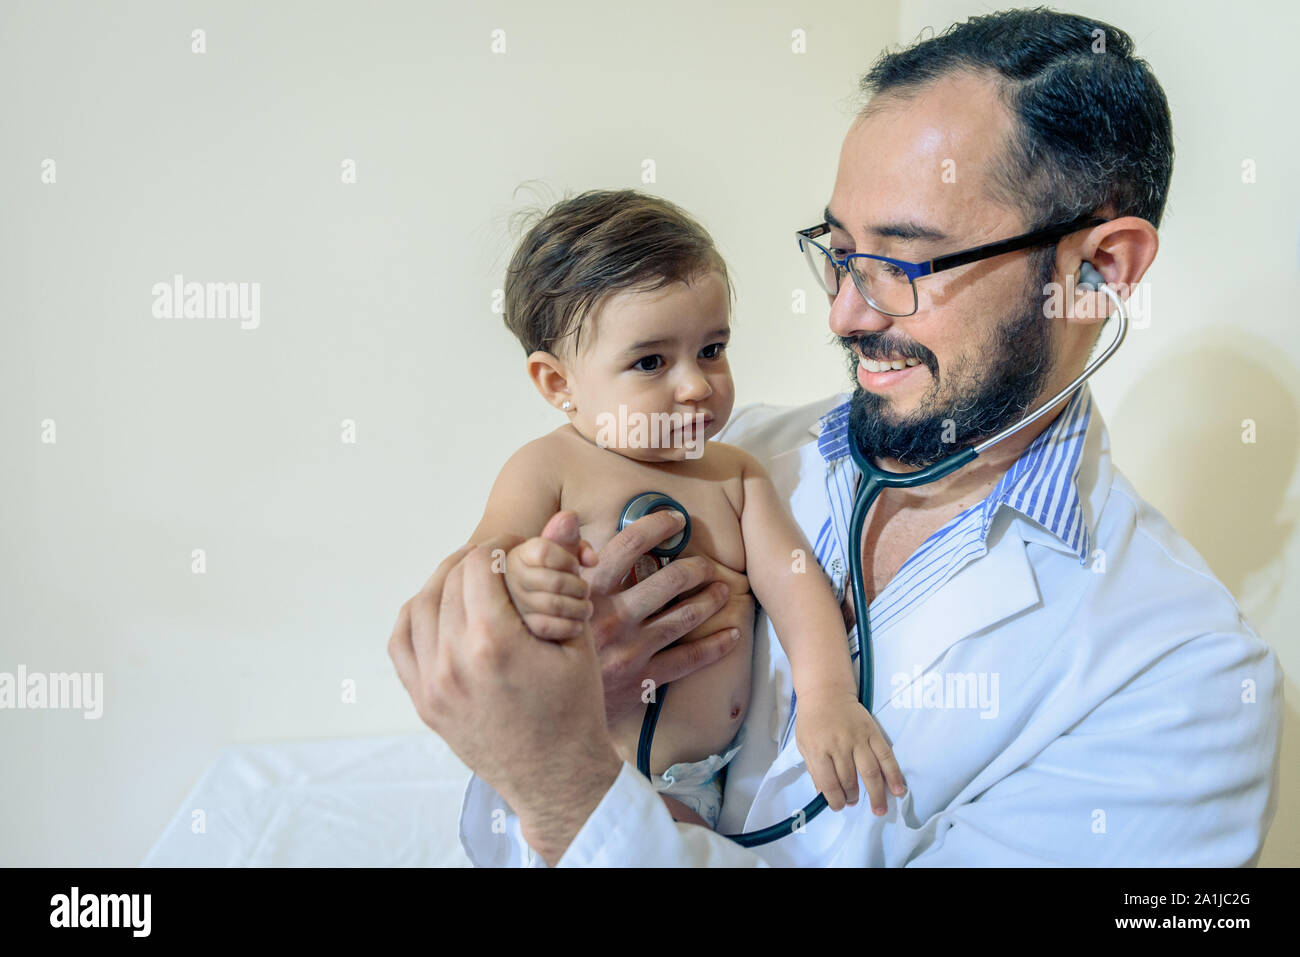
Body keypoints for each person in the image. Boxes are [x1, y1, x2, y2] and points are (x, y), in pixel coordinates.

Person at [389, 8, 1282, 866]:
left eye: (900, 262)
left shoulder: (1184, 686)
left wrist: (567, 781)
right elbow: (499, 816)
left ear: (1096, 271)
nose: (844, 312)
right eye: (839, 249)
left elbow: (549, 789)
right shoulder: (724, 455)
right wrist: (559, 708)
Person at [463, 189, 902, 830]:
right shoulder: (547, 469)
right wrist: (524, 579)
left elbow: (799, 589)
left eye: (712, 350)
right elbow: (480, 566)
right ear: (559, 384)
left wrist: (829, 697)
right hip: (591, 771)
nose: (696, 385)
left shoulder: (735, 475)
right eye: (650, 361)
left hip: (706, 785)